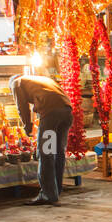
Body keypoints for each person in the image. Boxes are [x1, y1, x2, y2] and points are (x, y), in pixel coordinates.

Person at [11, 74, 74, 206]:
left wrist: (27, 127)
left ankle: (47, 194)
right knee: (58, 152)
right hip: (66, 112)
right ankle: (55, 191)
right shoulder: (40, 80)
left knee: (47, 152)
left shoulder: (16, 83)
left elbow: (22, 107)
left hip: (52, 114)